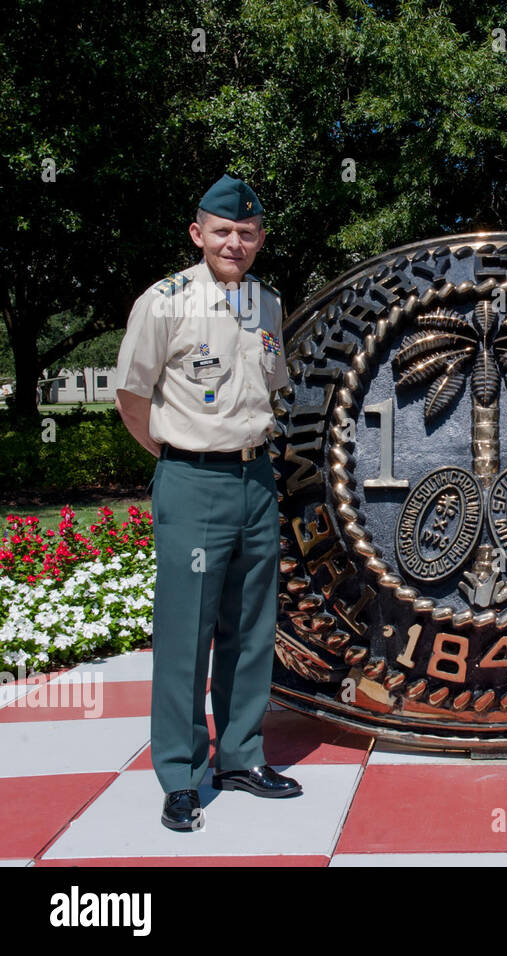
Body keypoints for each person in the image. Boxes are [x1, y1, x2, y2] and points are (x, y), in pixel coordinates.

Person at [115, 173, 303, 833]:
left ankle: (241, 756)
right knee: (185, 635)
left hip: (256, 481)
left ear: (258, 240)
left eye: (246, 233)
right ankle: (180, 774)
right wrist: (177, 457)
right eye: (222, 231)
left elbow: (271, 387)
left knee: (252, 629)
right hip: (193, 481)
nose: (235, 242)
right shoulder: (164, 302)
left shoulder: (267, 303)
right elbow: (132, 398)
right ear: (199, 234)